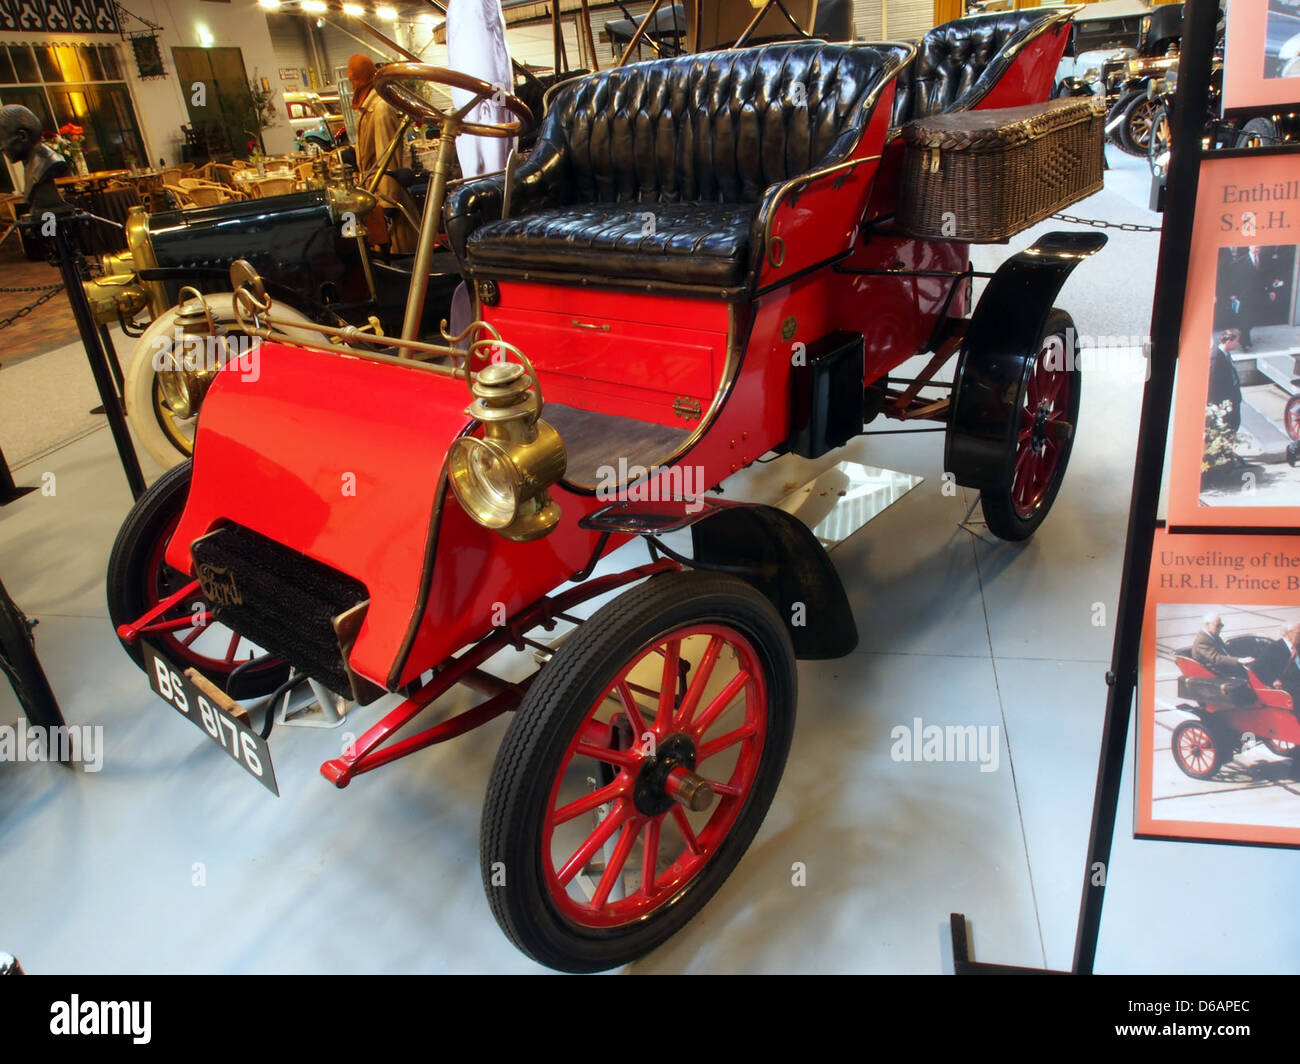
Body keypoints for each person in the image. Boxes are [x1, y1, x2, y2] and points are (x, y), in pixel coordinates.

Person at [347, 54, 418, 255]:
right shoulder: (368, 108)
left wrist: (388, 204)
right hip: (372, 195)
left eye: (354, 79)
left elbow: (389, 158)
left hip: (385, 197)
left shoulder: (380, 109)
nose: (353, 85)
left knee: (399, 257)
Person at [0, 104, 68, 210]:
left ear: (22, 136)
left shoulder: (46, 165)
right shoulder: (30, 168)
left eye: (1, 141)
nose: (1, 148)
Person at [1192, 613, 1256, 678]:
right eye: (1217, 625)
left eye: (1221, 625)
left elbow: (1225, 650)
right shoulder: (1202, 640)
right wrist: (1238, 660)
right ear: (1207, 625)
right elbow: (1216, 658)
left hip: (1223, 666)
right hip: (1217, 671)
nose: (1220, 628)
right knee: (1251, 672)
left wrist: (1241, 658)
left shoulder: (1213, 635)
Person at [1207, 329, 1244, 433]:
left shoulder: (1226, 355)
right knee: (1228, 426)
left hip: (1233, 398)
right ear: (1228, 342)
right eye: (1236, 341)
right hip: (1225, 401)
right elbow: (1213, 383)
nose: (1238, 344)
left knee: (1235, 424)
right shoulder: (1216, 357)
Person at [1272, 622, 1300, 707]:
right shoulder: (1277, 649)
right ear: (1288, 634)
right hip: (1288, 682)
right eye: (1298, 633)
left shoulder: (1297, 645)